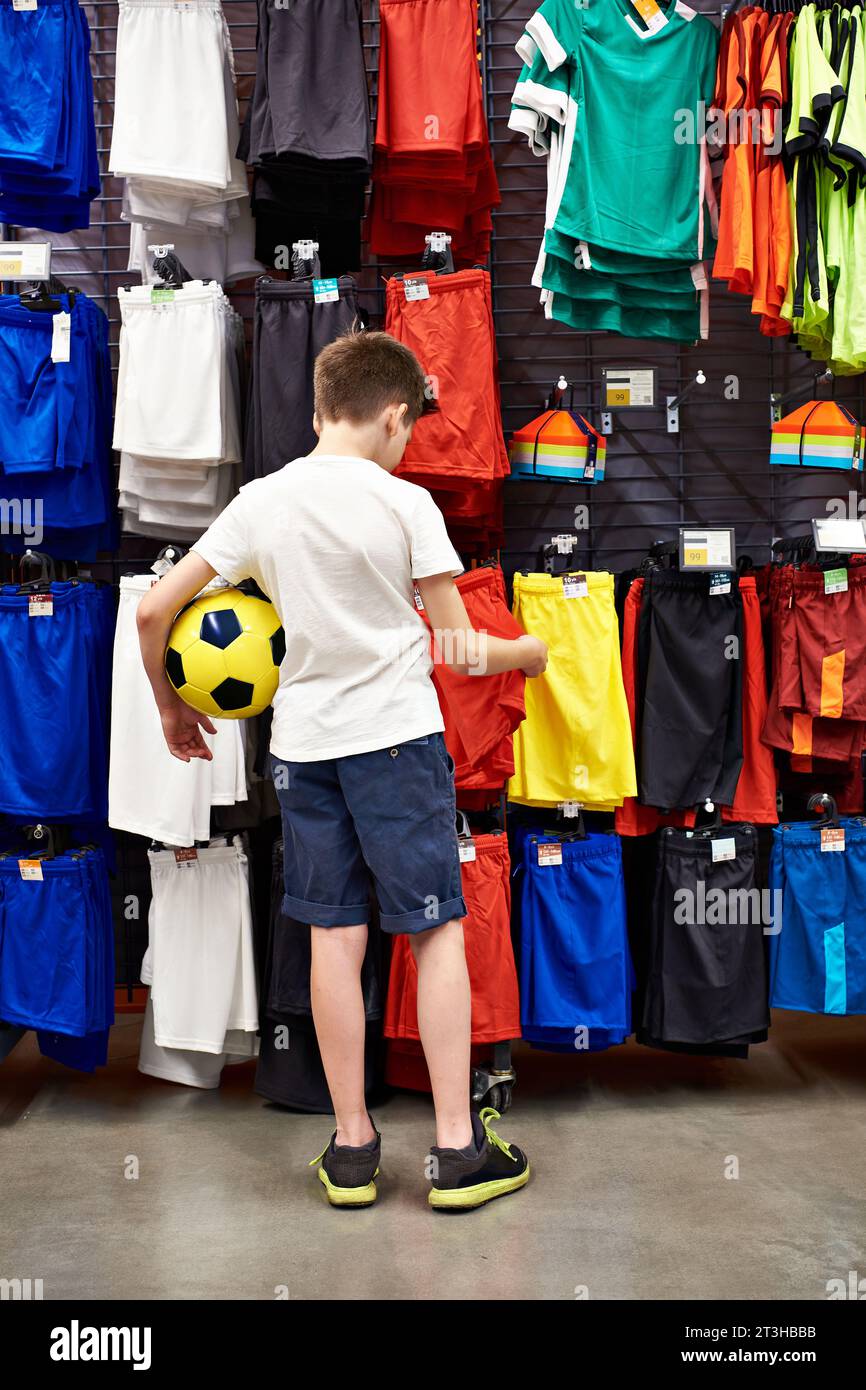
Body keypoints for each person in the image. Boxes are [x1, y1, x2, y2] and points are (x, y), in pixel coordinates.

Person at [136, 327, 548, 1211]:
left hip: (305, 748)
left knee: (334, 936)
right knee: (433, 930)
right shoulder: (406, 506)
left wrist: (174, 709)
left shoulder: (260, 503)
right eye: (409, 431)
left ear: (320, 408)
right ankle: (454, 1151)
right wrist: (530, 652)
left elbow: (157, 610)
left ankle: (353, 1148)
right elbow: (459, 649)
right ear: (396, 418)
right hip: (397, 741)